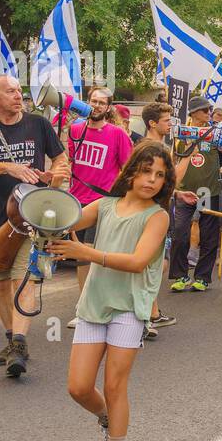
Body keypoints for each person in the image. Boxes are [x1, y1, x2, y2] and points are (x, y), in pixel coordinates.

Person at [51, 142, 173, 441]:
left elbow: (138, 262)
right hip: (95, 304)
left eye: (160, 175)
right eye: (146, 170)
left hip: (129, 308)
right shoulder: (104, 206)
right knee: (78, 388)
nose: (151, 180)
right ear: (132, 170)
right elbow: (63, 218)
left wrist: (85, 253)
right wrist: (55, 187)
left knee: (116, 385)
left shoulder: (157, 216)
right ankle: (107, 418)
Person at [0, 75, 70, 378]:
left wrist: (55, 178)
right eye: (9, 92)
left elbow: (61, 160)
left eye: (19, 91)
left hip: (29, 219)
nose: (17, 96)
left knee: (25, 280)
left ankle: (19, 344)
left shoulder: (39, 124)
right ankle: (12, 339)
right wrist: (7, 166)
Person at [67, 87, 134, 308]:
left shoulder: (117, 134)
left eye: (101, 103)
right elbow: (68, 162)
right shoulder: (75, 130)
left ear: (108, 108)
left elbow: (128, 169)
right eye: (93, 101)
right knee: (81, 257)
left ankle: (98, 302)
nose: (96, 106)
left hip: (103, 202)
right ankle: (83, 303)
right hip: (76, 201)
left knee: (93, 252)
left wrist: (124, 200)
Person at [168, 96, 222, 293]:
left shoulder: (216, 131)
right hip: (184, 191)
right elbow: (172, 159)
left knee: (209, 236)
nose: (208, 113)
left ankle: (202, 277)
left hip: (209, 190)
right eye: (204, 110)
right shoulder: (181, 134)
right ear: (192, 114)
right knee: (179, 234)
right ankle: (181, 275)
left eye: (209, 110)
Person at [136, 101, 181, 335]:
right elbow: (169, 181)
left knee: (158, 264)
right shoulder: (148, 148)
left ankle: (151, 312)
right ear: (153, 123)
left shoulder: (164, 145)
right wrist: (186, 156)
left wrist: (180, 193)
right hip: (150, 213)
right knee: (153, 265)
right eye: (166, 121)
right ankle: (142, 316)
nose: (170, 124)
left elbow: (170, 186)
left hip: (163, 209)